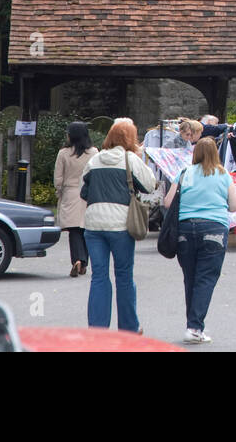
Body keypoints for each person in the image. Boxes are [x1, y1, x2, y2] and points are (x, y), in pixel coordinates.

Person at [80, 118, 157, 332]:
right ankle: (129, 328)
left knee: (99, 277)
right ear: (131, 138)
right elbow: (150, 185)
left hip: (94, 225)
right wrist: (141, 158)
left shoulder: (94, 160)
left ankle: (97, 329)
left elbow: (83, 191)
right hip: (121, 224)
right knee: (124, 275)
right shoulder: (130, 159)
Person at [162, 136, 236, 343]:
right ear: (216, 153)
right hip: (214, 229)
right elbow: (235, 206)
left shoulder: (184, 173)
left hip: (184, 230)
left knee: (191, 278)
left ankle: (193, 325)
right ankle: (195, 327)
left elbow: (168, 202)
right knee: (205, 279)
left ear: (195, 154)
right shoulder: (223, 174)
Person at [54, 121, 98, 277]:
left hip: (70, 193)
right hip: (88, 194)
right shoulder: (93, 152)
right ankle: (84, 261)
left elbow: (58, 179)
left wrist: (59, 192)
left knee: (74, 231)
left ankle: (77, 260)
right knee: (86, 229)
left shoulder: (63, 153)